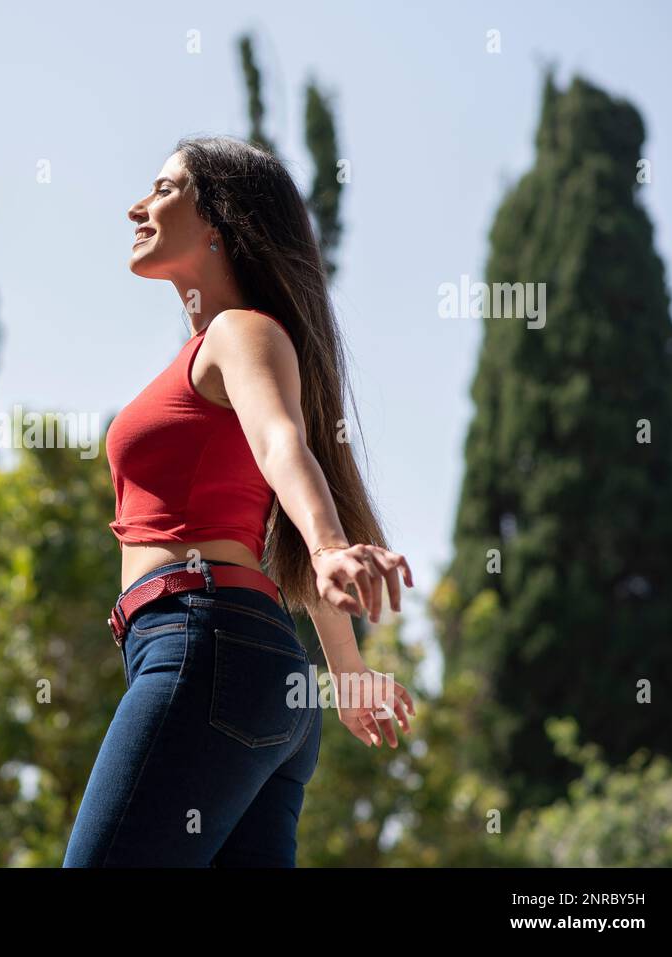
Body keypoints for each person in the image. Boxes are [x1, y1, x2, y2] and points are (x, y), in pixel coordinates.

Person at [62, 135, 416, 867]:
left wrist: (326, 547)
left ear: (220, 222)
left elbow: (285, 445)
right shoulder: (221, 348)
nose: (138, 204)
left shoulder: (239, 333)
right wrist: (347, 675)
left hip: (203, 648)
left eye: (163, 188)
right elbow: (284, 482)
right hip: (251, 673)